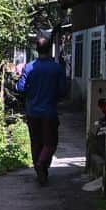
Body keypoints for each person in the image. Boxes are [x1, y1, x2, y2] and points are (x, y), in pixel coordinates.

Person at [16, 35, 69, 185]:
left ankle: (40, 170)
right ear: (49, 48)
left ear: (37, 50)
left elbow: (20, 88)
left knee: (36, 142)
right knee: (50, 142)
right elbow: (63, 91)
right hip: (49, 112)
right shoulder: (56, 68)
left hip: (32, 112)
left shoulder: (29, 67)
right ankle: (41, 165)